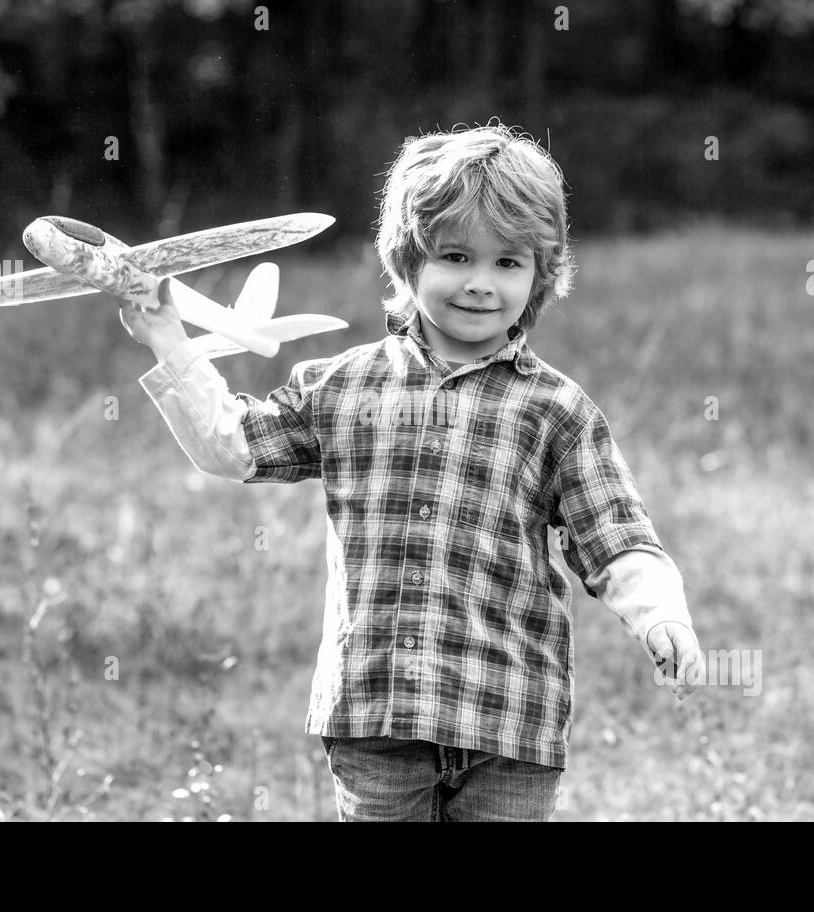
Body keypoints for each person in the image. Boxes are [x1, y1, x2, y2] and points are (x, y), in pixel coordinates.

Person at [120, 123, 704, 822]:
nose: (481, 284)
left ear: (541, 275)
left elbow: (614, 534)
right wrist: (165, 336)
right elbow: (231, 445)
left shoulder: (557, 411)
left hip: (508, 720)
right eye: (455, 256)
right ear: (407, 262)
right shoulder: (346, 386)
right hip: (378, 713)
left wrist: (662, 615)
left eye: (508, 264)